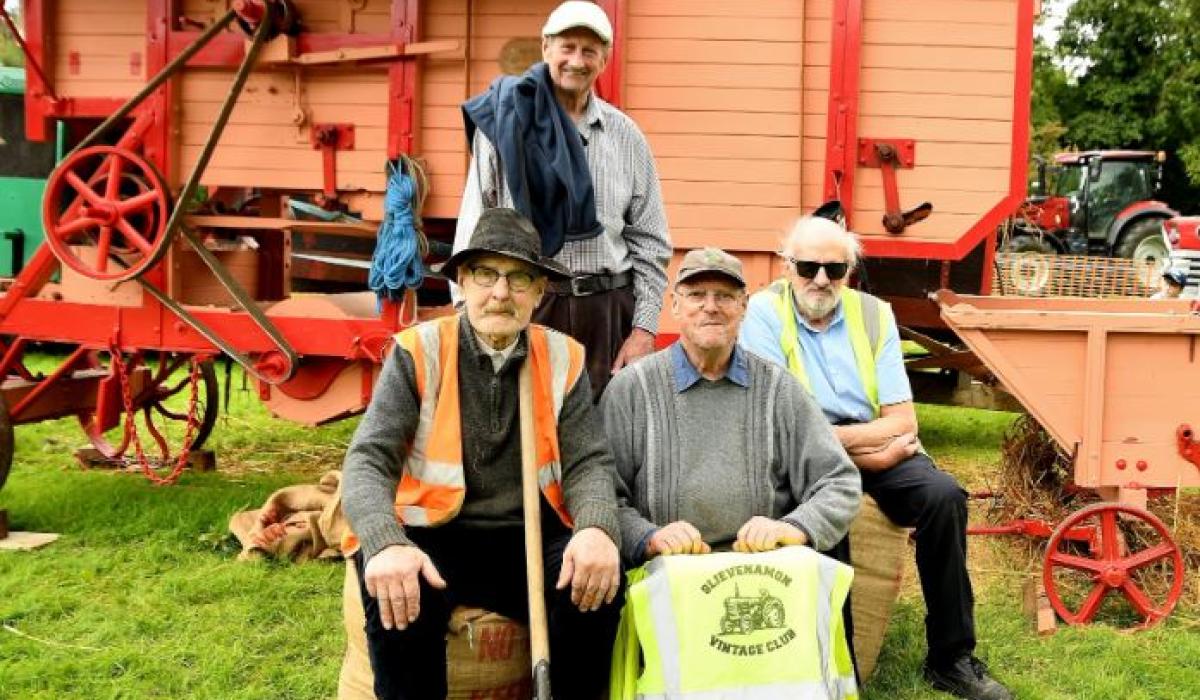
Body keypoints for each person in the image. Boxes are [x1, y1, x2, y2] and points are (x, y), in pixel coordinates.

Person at [341, 207, 623, 700]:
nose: (501, 293)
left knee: (594, 586)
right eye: (487, 274)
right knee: (398, 595)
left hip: (528, 535)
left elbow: (589, 462)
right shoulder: (417, 350)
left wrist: (598, 528)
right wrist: (385, 543)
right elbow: (369, 459)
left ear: (538, 293)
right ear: (463, 283)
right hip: (433, 535)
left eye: (519, 279)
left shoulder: (563, 357)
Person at [739, 215, 1014, 700]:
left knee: (944, 498)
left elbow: (903, 422)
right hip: (809, 454)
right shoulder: (762, 313)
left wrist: (862, 447)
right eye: (808, 267)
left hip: (864, 442)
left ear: (851, 270)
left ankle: (950, 658)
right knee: (828, 515)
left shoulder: (873, 314)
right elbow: (777, 425)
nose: (821, 280)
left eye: (835, 269)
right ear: (787, 267)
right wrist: (871, 459)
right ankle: (833, 662)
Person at [601, 247, 862, 696]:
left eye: (724, 295)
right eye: (697, 294)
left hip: (763, 572)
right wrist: (647, 536)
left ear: (744, 306)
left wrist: (793, 528)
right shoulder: (632, 389)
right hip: (669, 573)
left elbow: (839, 482)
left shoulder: (778, 387)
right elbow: (603, 492)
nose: (710, 306)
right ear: (675, 305)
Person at [455, 0, 671, 397]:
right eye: (567, 47)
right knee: (523, 439)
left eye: (589, 50)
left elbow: (651, 243)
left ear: (605, 59)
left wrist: (643, 329)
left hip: (608, 313)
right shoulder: (502, 125)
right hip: (527, 306)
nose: (577, 60)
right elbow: (473, 229)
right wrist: (465, 318)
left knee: (606, 441)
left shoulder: (626, 136)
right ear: (546, 49)